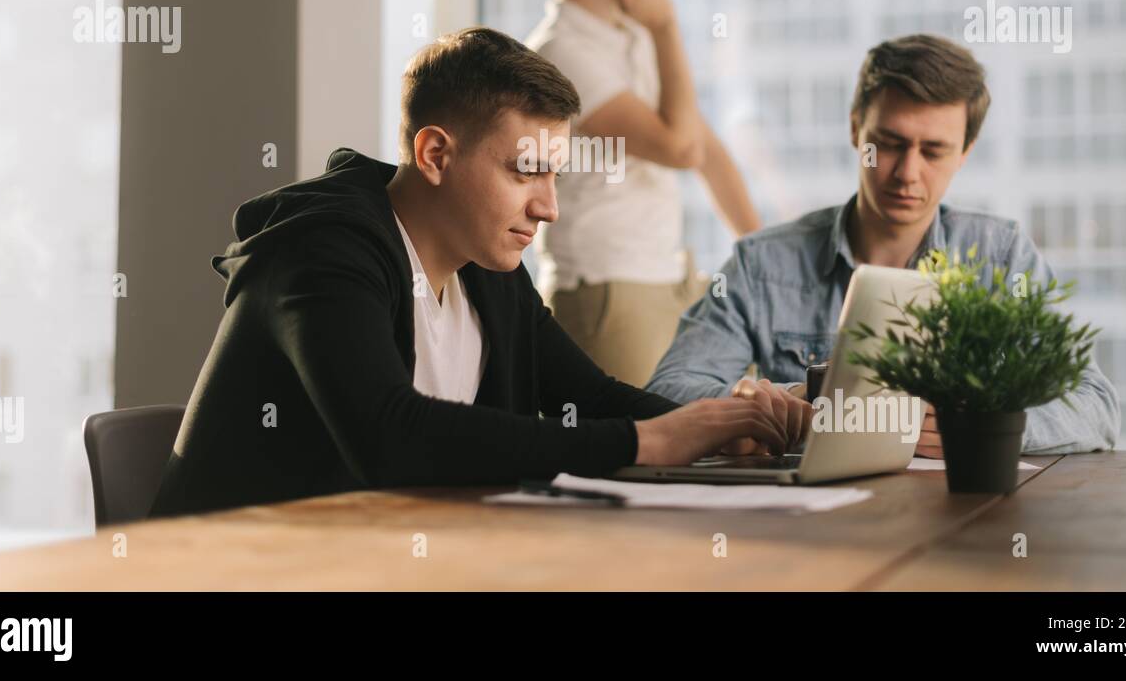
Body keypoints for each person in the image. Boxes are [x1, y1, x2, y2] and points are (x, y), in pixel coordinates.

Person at [148, 28, 794, 518]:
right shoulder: (323, 253)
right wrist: (647, 442)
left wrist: (720, 428)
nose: (549, 206)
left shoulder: (488, 267)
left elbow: (587, 396)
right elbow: (390, 434)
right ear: (434, 154)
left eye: (553, 175)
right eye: (525, 170)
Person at [645, 34, 1121, 456]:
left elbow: (1093, 406)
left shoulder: (1002, 256)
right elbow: (667, 389)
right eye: (889, 144)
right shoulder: (763, 263)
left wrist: (981, 427)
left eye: (934, 151)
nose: (908, 173)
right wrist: (781, 402)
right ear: (856, 129)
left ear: (966, 152)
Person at [506, 0, 760, 387]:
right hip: (611, 289)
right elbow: (680, 147)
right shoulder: (563, 53)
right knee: (648, 451)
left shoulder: (633, 35)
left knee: (744, 422)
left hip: (668, 277)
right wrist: (666, 25)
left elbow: (706, 148)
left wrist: (761, 260)